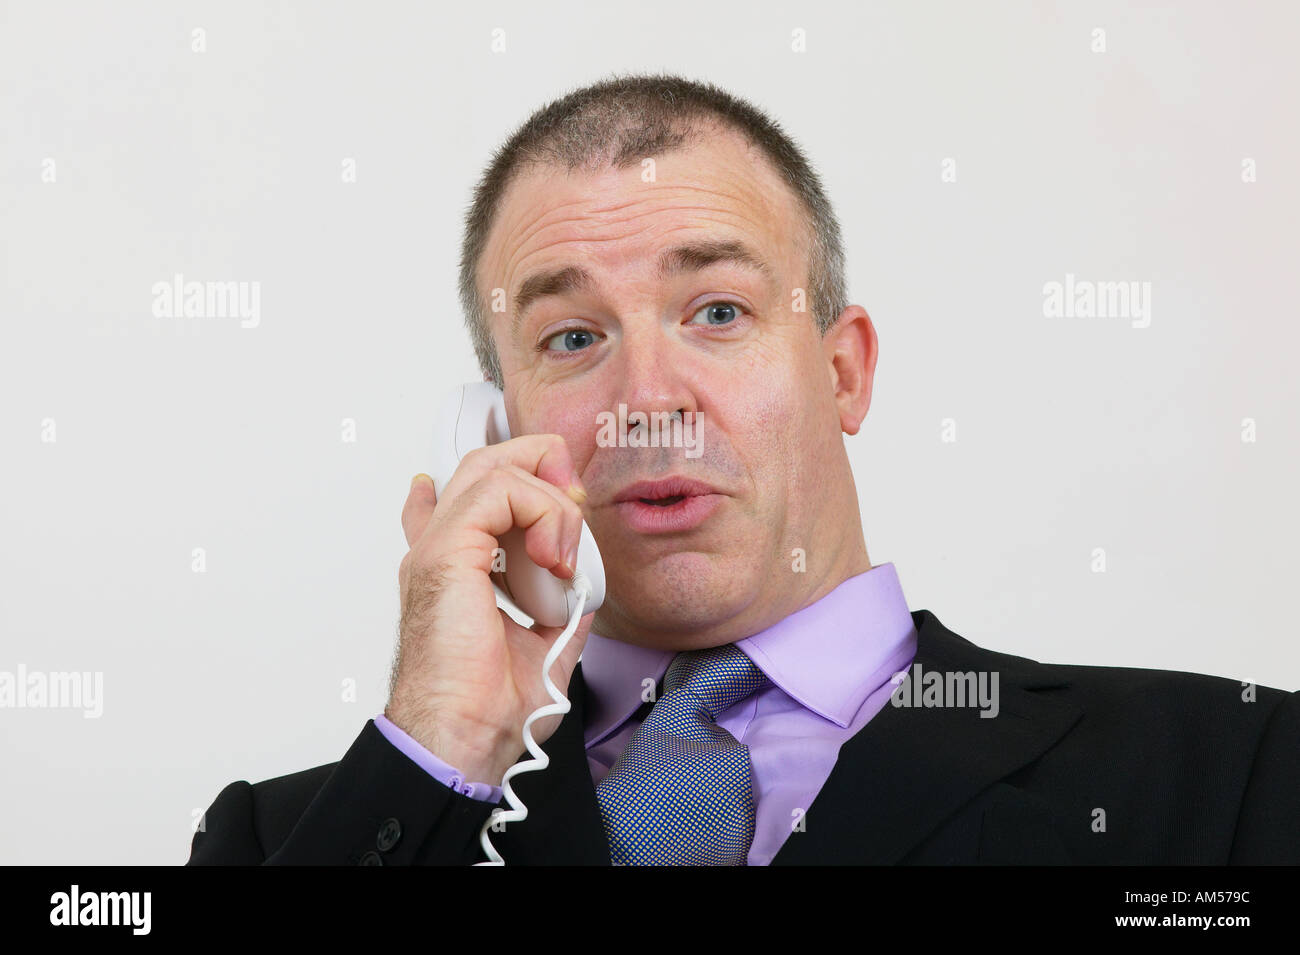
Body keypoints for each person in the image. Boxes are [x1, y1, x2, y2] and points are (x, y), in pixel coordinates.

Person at [188, 73, 1298, 866]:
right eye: (572, 338)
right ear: (492, 432)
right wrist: (440, 741)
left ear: (843, 370)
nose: (646, 402)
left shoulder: (1238, 771)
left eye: (717, 311)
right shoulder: (291, 837)